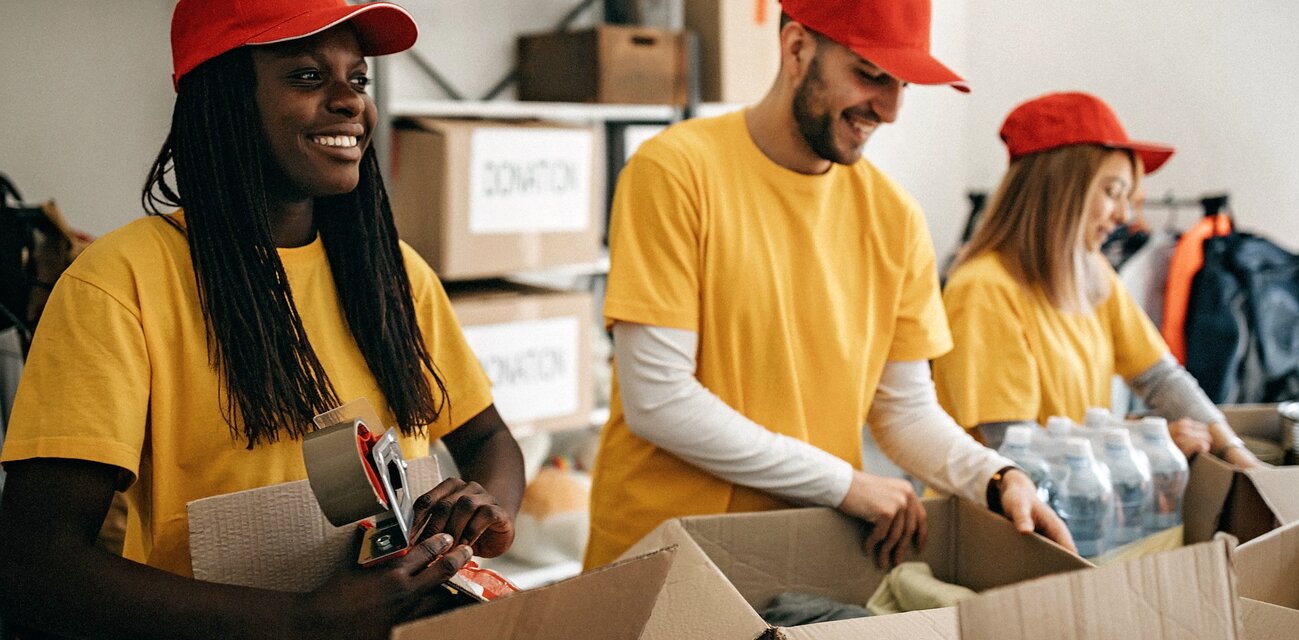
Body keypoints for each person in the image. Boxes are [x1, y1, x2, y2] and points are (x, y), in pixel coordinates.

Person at [0, 1, 525, 638]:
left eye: (357, 79)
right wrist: (305, 622)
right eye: (307, 76)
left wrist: (483, 506)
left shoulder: (395, 275)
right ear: (223, 96)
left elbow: (489, 439)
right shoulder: (118, 285)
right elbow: (37, 567)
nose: (350, 102)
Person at [584, 0, 1075, 572]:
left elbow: (904, 410)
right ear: (796, 49)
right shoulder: (675, 171)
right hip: (662, 555)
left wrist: (996, 477)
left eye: (903, 85)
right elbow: (659, 400)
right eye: (871, 75)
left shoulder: (895, 219)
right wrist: (845, 484)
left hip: (803, 556)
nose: (890, 110)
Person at [932, 91, 1261, 469]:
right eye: (1111, 192)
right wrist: (1146, 445)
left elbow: (1160, 377)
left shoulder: (1091, 273)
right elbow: (1011, 448)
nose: (1125, 215)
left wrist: (1237, 453)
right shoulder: (984, 290)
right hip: (991, 521)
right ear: (1057, 190)